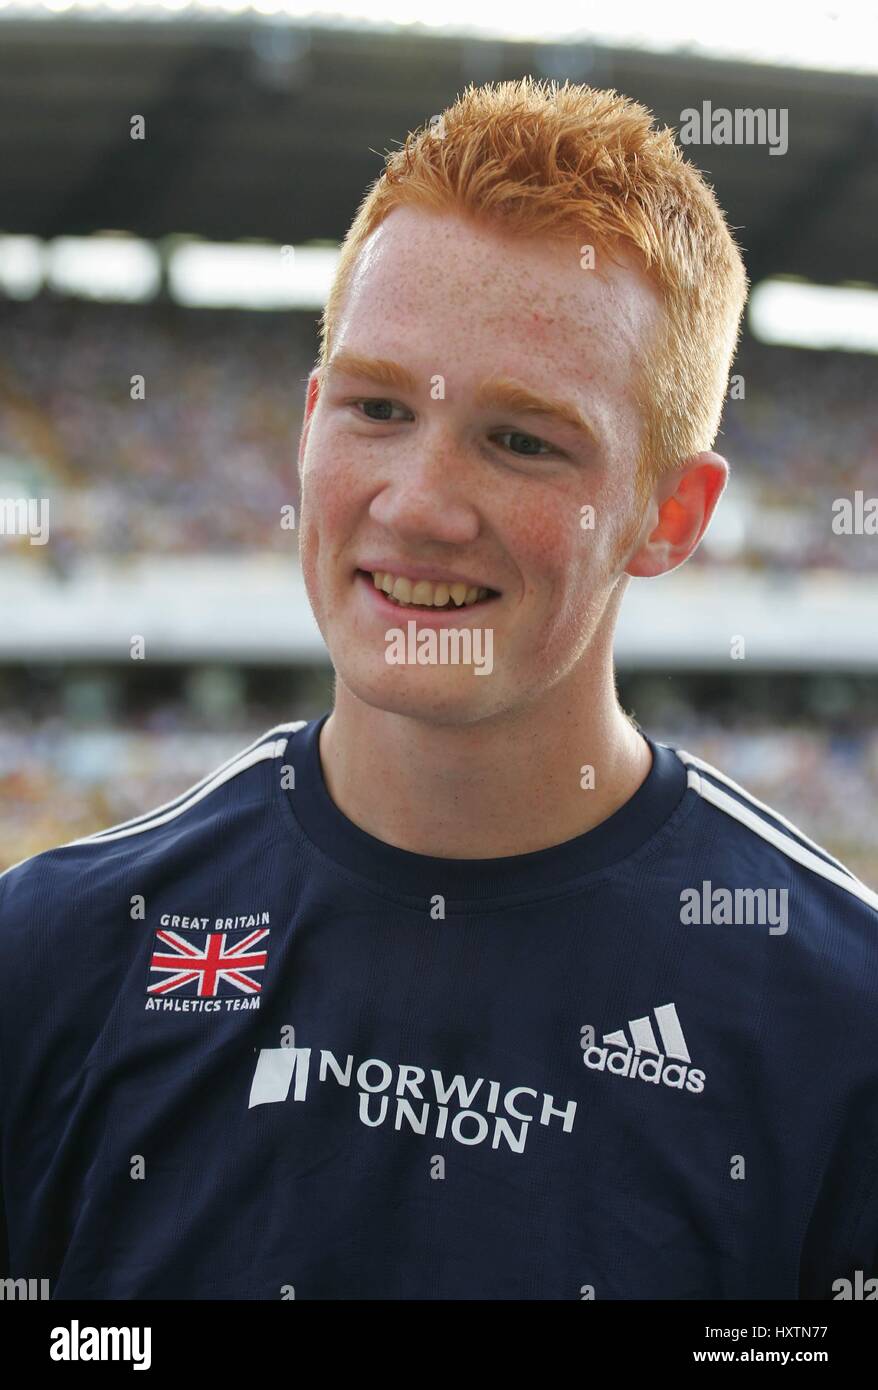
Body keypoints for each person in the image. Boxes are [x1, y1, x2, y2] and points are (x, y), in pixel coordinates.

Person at [1, 78, 876, 1301]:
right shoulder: (51, 954)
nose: (416, 504)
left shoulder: (842, 1026)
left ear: (667, 515)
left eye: (523, 439)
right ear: (309, 425)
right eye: (376, 407)